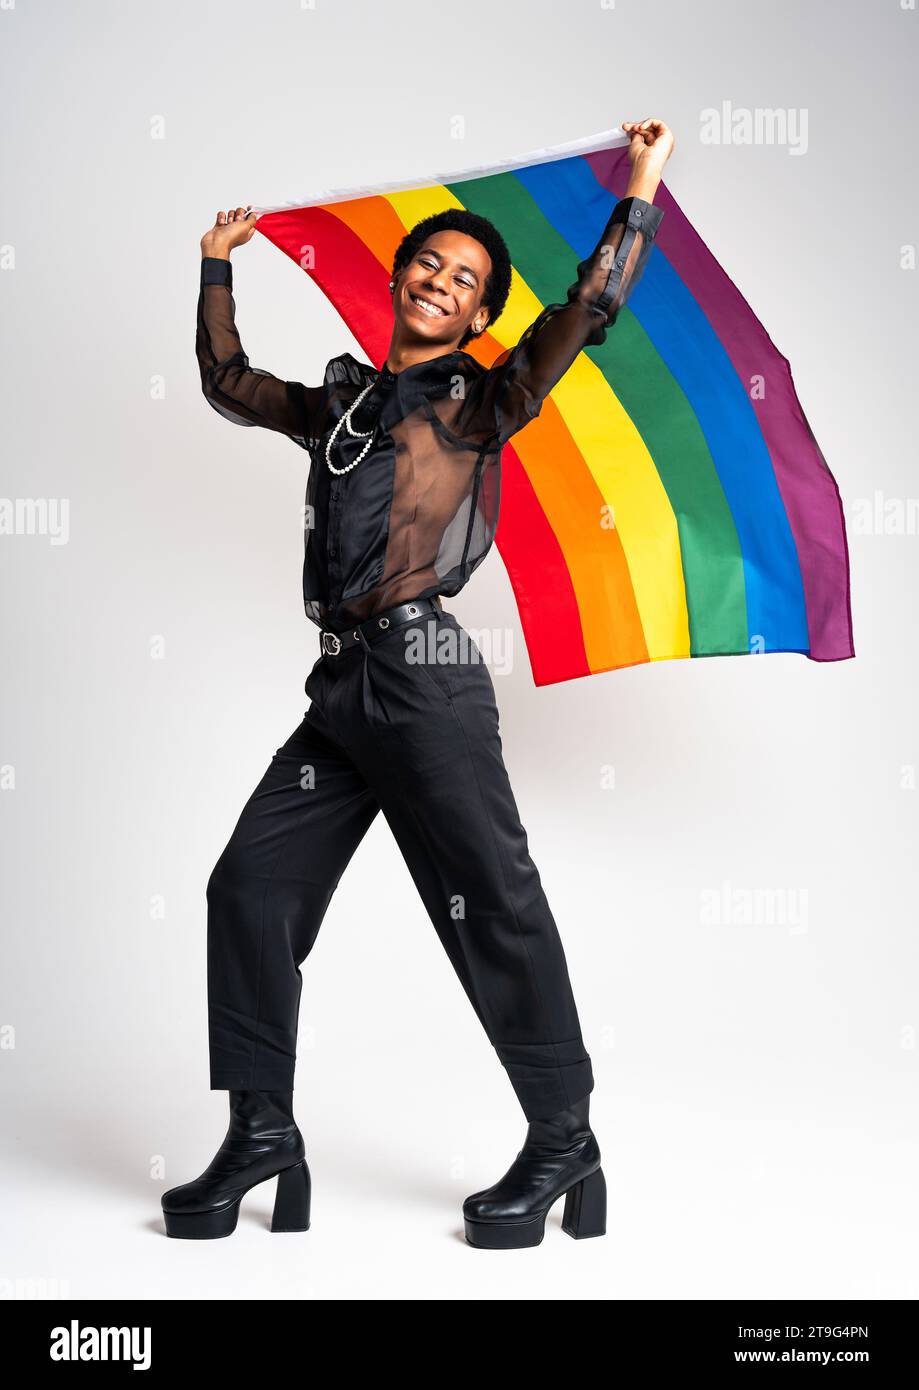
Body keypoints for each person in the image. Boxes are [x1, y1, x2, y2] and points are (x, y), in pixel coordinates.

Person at [161, 118, 674, 1250]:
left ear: (480, 314)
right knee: (247, 889)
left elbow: (582, 315)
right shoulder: (339, 405)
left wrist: (636, 191)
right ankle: (261, 1133)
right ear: (397, 280)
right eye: (429, 266)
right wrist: (216, 263)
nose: (442, 284)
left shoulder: (479, 401)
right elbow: (227, 381)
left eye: (465, 281)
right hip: (341, 692)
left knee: (492, 905)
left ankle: (561, 1139)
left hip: (426, 677)